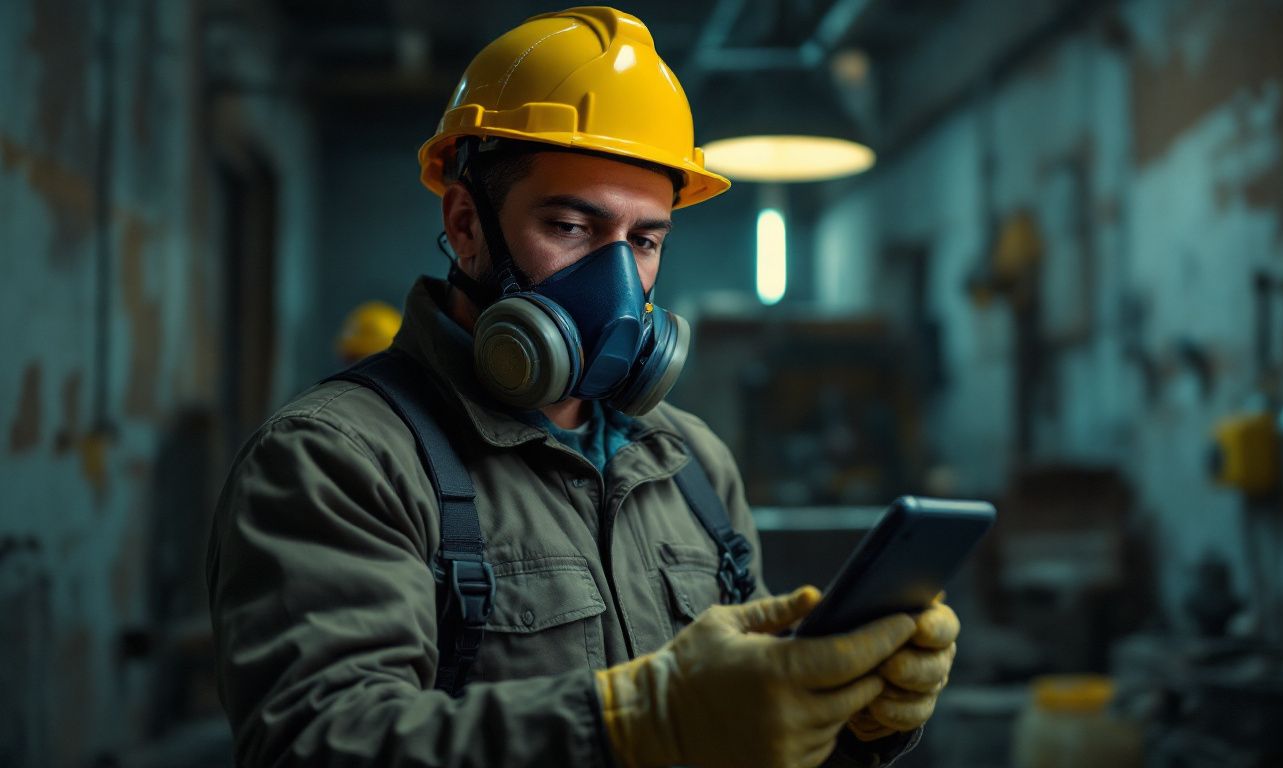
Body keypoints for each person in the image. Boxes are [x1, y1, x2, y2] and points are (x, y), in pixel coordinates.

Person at [206, 7, 959, 767]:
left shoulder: (693, 463)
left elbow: (744, 733)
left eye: (645, 240)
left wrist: (845, 717)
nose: (619, 283)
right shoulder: (337, 459)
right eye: (571, 227)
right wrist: (634, 726)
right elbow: (319, 745)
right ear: (466, 224)